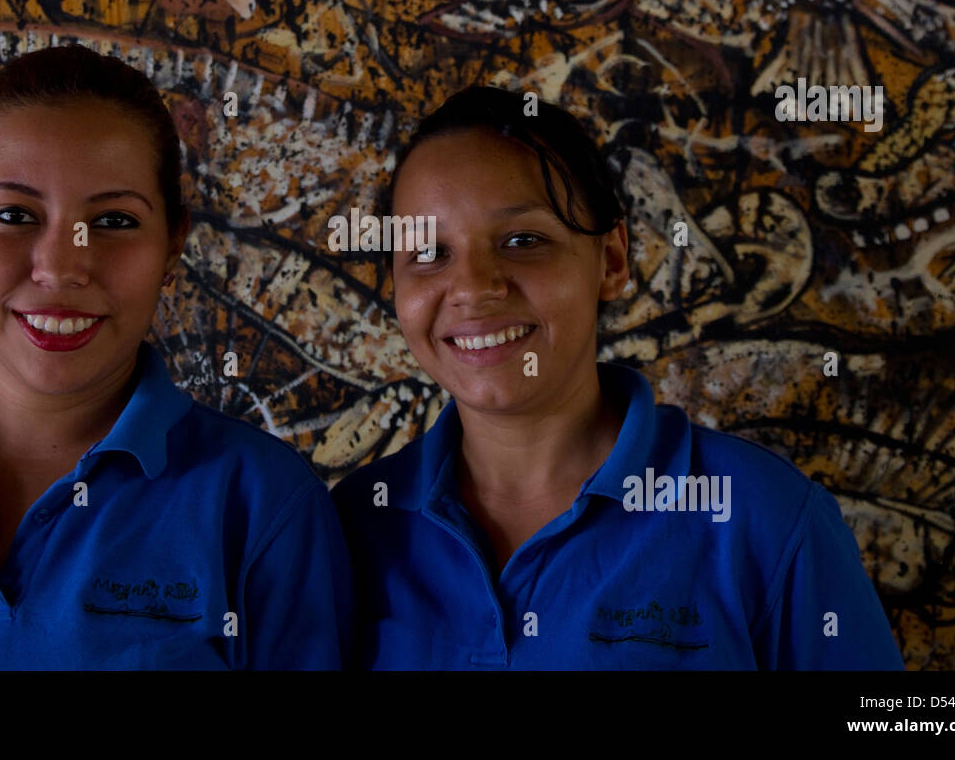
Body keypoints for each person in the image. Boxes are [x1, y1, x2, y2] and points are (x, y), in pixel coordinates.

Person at [0, 44, 351, 669]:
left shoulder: (260, 506)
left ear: (172, 245)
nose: (60, 267)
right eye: (14, 214)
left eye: (114, 221)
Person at [331, 85, 903, 669]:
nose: (476, 288)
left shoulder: (762, 516)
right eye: (429, 252)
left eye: (523, 240)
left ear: (611, 260)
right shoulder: (351, 528)